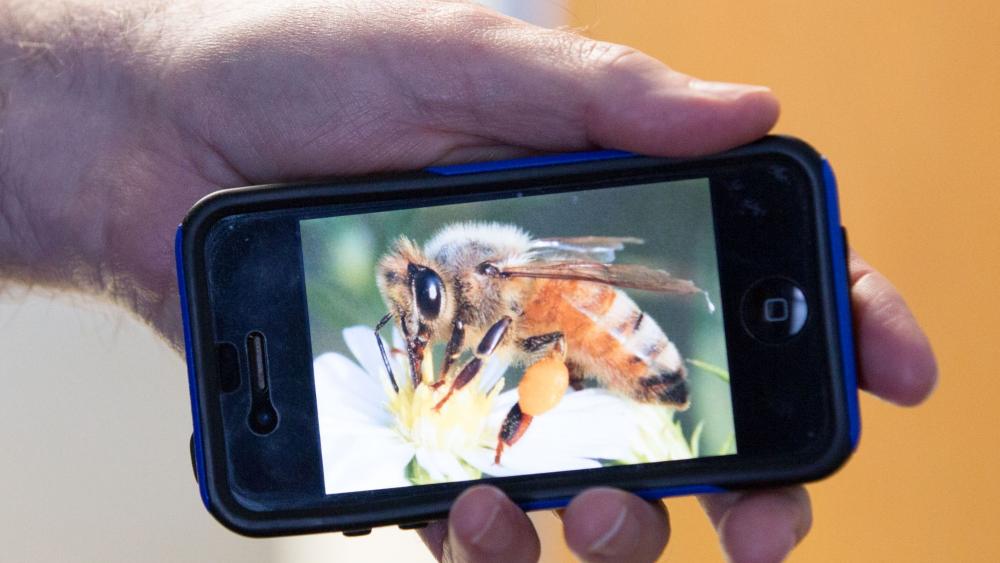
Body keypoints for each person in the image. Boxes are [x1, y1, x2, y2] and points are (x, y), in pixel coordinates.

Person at [0, 1, 937, 561]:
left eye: (422, 313)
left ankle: (522, 436)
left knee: (557, 413)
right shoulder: (454, 291)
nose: (417, 334)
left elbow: (514, 338)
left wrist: (118, 112)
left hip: (596, 336)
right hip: (547, 358)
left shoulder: (497, 285)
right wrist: (123, 110)